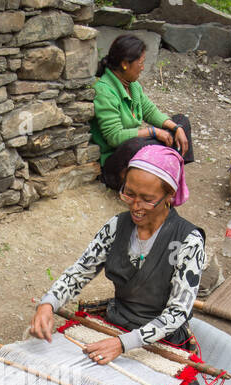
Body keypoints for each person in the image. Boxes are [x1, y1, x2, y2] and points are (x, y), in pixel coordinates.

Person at [29, 145, 205, 373]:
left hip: (161, 339)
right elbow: (80, 272)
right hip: (114, 324)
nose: (135, 205)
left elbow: (178, 312)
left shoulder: (187, 241)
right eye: (129, 193)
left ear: (169, 194)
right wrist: (48, 304)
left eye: (147, 199)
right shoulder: (117, 227)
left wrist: (123, 344)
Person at [92, 33, 194, 192]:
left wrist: (176, 128)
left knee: (182, 122)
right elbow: (114, 137)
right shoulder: (104, 91)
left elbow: (150, 110)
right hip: (116, 162)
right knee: (137, 145)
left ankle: (168, 172)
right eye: (141, 63)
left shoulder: (133, 85)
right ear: (125, 64)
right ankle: (156, 172)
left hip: (138, 151)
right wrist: (153, 132)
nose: (143, 67)